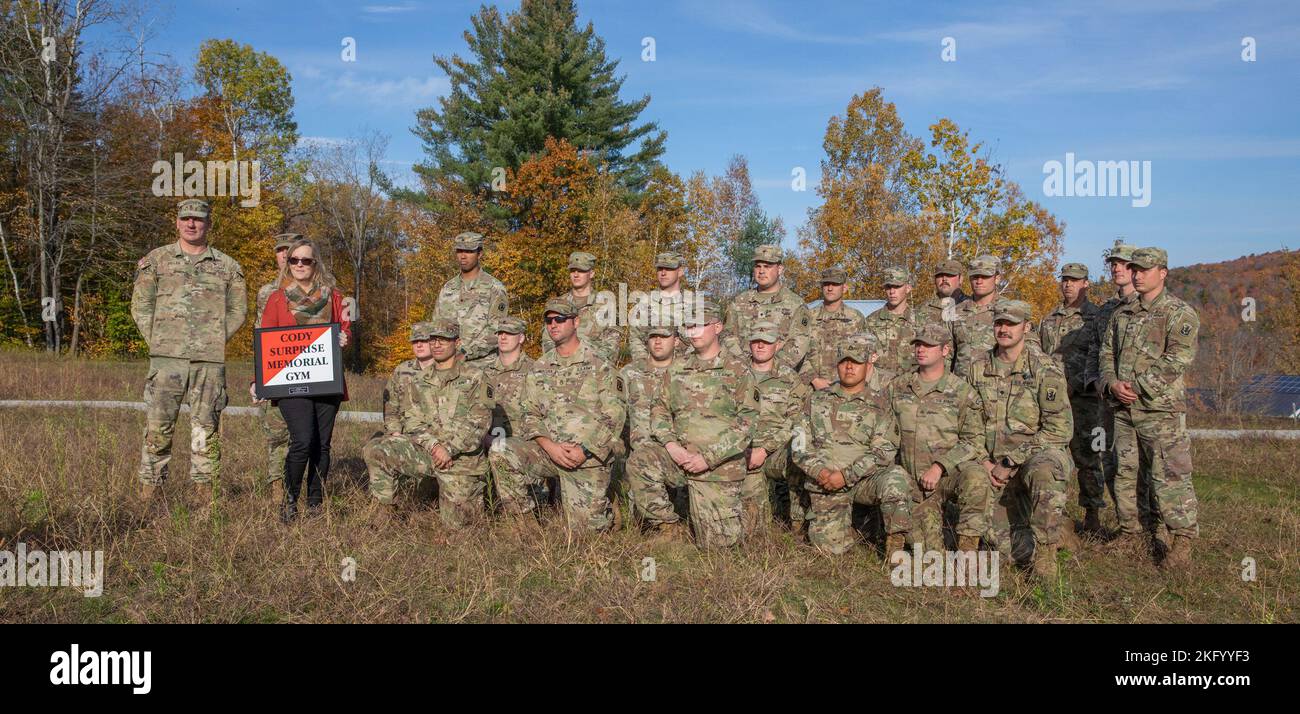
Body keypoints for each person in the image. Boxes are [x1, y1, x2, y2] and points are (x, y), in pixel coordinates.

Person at [131, 198, 246, 505]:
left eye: (199, 219)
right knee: (158, 429)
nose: (192, 224)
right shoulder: (157, 260)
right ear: (177, 222)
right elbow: (141, 305)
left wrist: (214, 338)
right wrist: (157, 339)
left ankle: (204, 497)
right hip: (166, 360)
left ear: (208, 224)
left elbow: (238, 310)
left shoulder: (227, 266)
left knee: (204, 430)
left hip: (208, 362)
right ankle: (150, 497)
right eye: (186, 219)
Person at [1097, 247, 1200, 570]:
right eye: (1134, 269)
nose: (1137, 274)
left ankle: (1180, 540)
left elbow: (1178, 359)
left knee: (1169, 475)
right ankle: (1131, 532)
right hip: (1123, 410)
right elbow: (1105, 354)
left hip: (1160, 411)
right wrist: (1112, 383)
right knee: (1124, 473)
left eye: (1144, 269)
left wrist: (1137, 387)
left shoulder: (1179, 313)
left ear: (1163, 273)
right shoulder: (1122, 314)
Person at [626, 300, 758, 547]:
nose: (693, 332)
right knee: (640, 460)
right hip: (681, 459)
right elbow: (659, 410)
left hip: (718, 466)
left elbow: (747, 422)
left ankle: (744, 511)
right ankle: (668, 527)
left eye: (700, 325)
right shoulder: (677, 369)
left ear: (717, 327)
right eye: (688, 326)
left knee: (717, 547)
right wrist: (672, 446)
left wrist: (708, 458)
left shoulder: (737, 369)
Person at [489, 297, 625, 533]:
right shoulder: (539, 367)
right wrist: (548, 445)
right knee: (501, 451)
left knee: (586, 535)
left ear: (576, 322)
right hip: (549, 451)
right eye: (549, 320)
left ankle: (607, 506)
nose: (553, 324)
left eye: (560, 319)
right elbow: (528, 412)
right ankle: (525, 524)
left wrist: (584, 450)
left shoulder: (599, 364)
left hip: (588, 454)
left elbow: (615, 414)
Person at [967, 300, 1073, 582]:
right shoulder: (977, 368)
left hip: (1035, 457)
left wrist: (1010, 461)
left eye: (1011, 324)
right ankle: (1049, 532)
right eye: (999, 323)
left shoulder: (1044, 369)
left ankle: (1047, 556)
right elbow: (966, 423)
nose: (1004, 329)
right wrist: (984, 461)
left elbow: (1059, 429)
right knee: (1009, 553)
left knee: (1045, 472)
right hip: (990, 462)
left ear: (1026, 327)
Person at [363, 319, 492, 529]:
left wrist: (448, 449)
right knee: (376, 449)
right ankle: (386, 513)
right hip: (428, 452)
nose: (437, 344)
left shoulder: (476, 377)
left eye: (444, 339)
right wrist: (434, 446)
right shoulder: (419, 380)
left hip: (462, 459)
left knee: (460, 532)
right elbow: (413, 422)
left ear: (457, 342)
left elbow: (479, 422)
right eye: (433, 339)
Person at [259, 238, 352, 522]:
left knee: (321, 445)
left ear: (316, 264)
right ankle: (289, 501)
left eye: (306, 260)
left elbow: (346, 328)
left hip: (326, 380)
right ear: (288, 264)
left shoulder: (334, 296)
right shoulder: (277, 298)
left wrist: (345, 337)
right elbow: (265, 340)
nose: (300, 265)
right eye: (295, 260)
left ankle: (315, 503)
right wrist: (258, 380)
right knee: (302, 441)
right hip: (290, 381)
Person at [793, 333, 909, 556]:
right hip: (825, 480)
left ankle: (895, 550)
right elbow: (799, 446)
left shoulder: (881, 403)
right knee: (829, 551)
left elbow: (884, 451)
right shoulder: (816, 400)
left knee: (897, 479)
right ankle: (851, 528)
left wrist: (847, 475)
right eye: (844, 361)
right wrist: (821, 472)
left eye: (856, 362)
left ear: (867, 365)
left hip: (864, 480)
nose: (849, 367)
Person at [883, 323, 989, 555]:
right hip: (912, 481)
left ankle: (967, 552)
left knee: (976, 477)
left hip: (946, 476)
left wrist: (940, 466)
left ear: (945, 350)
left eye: (929, 345)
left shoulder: (961, 392)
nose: (921, 349)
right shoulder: (898, 387)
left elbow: (973, 441)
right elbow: (884, 433)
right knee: (931, 553)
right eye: (918, 345)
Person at [1086, 240, 1157, 528]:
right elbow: (1095, 350)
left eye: (1124, 264)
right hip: (1109, 400)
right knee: (1112, 461)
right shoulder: (1107, 311)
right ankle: (1127, 524)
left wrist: (1138, 387)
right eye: (1113, 263)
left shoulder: (1151, 308)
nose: (1117, 268)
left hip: (1146, 402)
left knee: (1149, 466)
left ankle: (1153, 523)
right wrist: (1099, 382)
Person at [1039, 263, 1105, 535]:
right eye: (1065, 279)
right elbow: (1042, 356)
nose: (1068, 284)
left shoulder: (1096, 318)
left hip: (1084, 401)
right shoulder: (1049, 318)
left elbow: (1102, 358)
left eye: (1074, 280)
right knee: (1053, 457)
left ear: (1086, 284)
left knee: (1088, 458)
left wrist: (1075, 385)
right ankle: (1057, 513)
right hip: (1053, 404)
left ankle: (1092, 514)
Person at [741, 321, 811, 536]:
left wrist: (765, 449)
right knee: (755, 530)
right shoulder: (734, 373)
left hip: (776, 451)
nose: (760, 346)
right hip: (741, 451)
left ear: (778, 345)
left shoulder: (789, 378)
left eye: (767, 342)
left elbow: (796, 419)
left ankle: (799, 525)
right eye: (756, 341)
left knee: (800, 456)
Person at [253, 233, 299, 501]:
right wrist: (258, 377)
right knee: (276, 433)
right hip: (276, 372)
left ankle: (304, 487)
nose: (284, 255)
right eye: (280, 250)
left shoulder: (318, 289)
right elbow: (260, 336)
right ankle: (277, 489)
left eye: (290, 250)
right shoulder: (267, 292)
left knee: (305, 435)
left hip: (308, 371)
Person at [723, 244, 811, 372]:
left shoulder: (796, 305)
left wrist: (769, 370)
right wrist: (743, 366)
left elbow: (798, 343)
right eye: (758, 266)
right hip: (741, 375)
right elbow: (727, 336)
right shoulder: (739, 302)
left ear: (780, 269)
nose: (761, 271)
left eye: (767, 266)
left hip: (778, 378)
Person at [433, 231, 509, 366]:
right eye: (459, 251)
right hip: (449, 365)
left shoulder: (494, 288)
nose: (463, 256)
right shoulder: (447, 288)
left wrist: (466, 352)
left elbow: (497, 331)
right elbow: (437, 326)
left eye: (468, 251)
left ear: (479, 254)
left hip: (482, 366)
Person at [541, 251, 623, 360]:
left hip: (593, 371)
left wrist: (583, 360)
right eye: (572, 271)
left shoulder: (605, 307)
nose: (576, 274)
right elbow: (547, 341)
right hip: (560, 369)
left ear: (592, 273)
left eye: (581, 271)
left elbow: (611, 349)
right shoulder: (556, 304)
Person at [800, 267, 867, 390]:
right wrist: (814, 379)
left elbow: (864, 355)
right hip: (811, 388)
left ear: (845, 288)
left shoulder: (856, 318)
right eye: (826, 284)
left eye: (835, 284)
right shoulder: (808, 317)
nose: (830, 288)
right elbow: (797, 352)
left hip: (846, 389)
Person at [628, 252, 695, 361]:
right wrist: (643, 363)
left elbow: (701, 341)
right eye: (660, 268)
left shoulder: (694, 304)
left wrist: (685, 364)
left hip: (685, 370)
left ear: (680, 272)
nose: (663, 273)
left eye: (669, 269)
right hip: (651, 370)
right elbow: (635, 339)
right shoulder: (645, 303)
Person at [864, 266, 920, 374]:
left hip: (911, 386)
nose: (892, 292)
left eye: (897, 286)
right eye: (888, 287)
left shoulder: (921, 320)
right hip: (879, 387)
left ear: (908, 288)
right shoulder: (871, 321)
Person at [917, 258, 968, 327]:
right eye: (939, 276)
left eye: (949, 275)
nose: (944, 279)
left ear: (960, 279)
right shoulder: (922, 310)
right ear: (934, 280)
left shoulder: (972, 306)